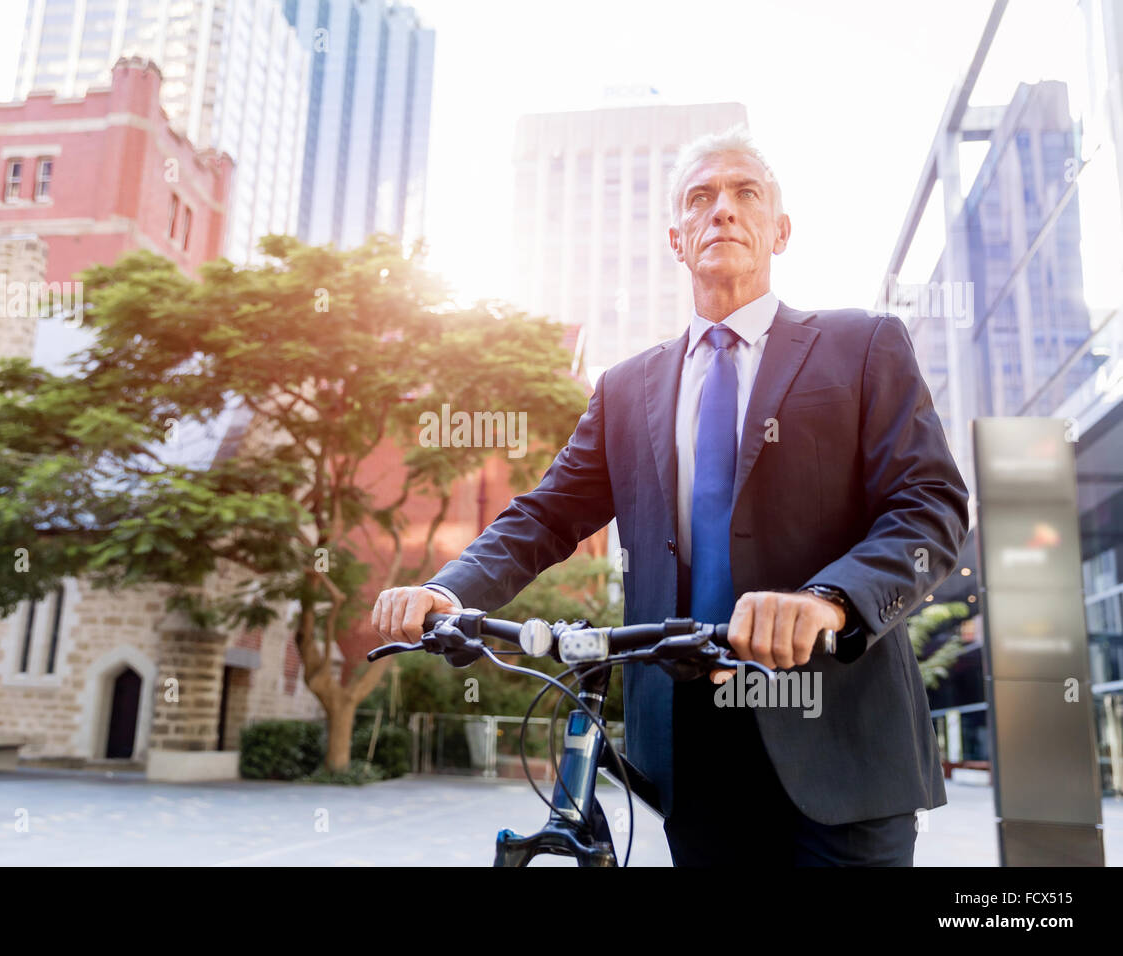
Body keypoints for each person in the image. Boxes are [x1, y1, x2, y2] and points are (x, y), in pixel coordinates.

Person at [371, 125, 969, 866]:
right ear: (676, 238)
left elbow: (931, 505)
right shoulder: (627, 389)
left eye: (745, 193)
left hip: (839, 736)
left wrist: (830, 600)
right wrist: (447, 589)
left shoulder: (863, 345)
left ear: (779, 230)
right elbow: (547, 514)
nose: (722, 209)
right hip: (690, 742)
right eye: (701, 197)